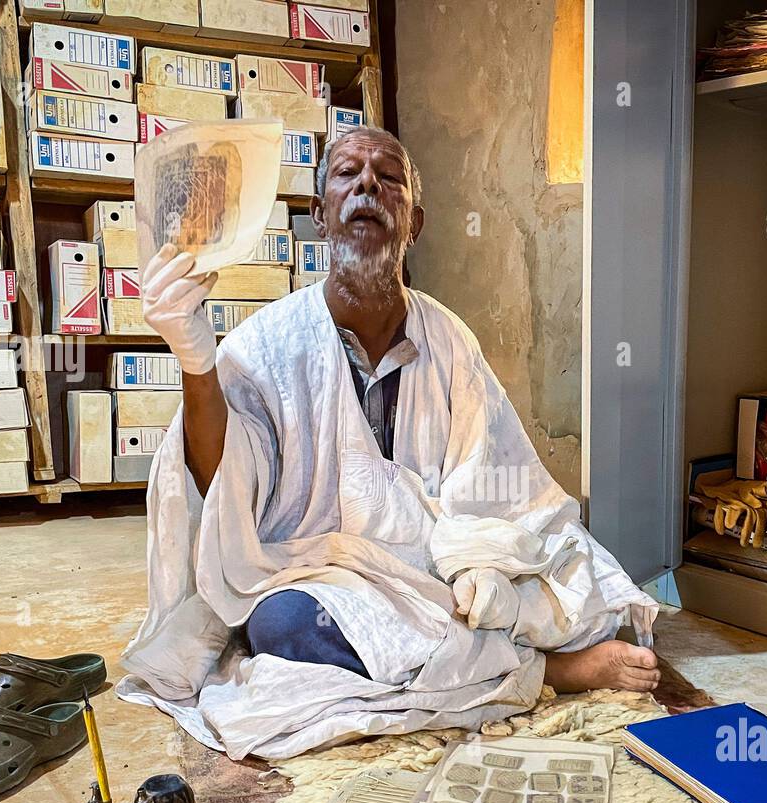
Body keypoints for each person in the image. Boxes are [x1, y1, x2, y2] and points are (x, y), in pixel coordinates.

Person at [118, 126, 659, 761]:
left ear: (414, 223)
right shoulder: (265, 345)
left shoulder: (449, 338)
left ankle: (476, 653)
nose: (368, 184)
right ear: (320, 217)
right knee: (282, 627)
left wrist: (479, 561)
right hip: (325, 577)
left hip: (438, 568)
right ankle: (545, 671)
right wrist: (194, 360)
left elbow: (499, 478)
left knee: (587, 583)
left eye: (389, 177)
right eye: (347, 175)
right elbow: (217, 489)